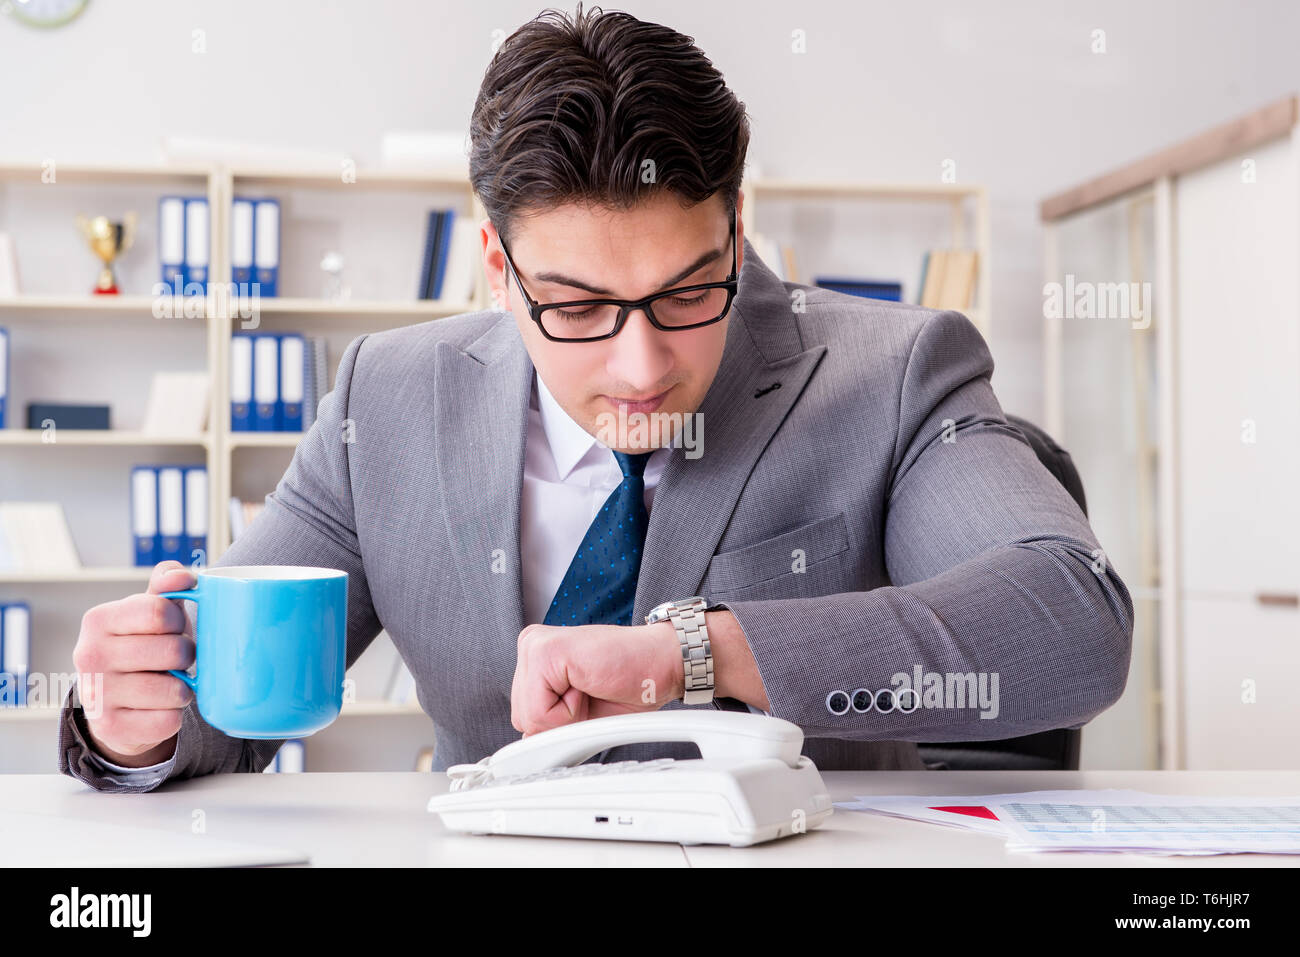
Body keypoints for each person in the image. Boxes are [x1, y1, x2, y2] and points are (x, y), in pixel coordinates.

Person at [59, 3, 1132, 792]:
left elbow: (1073, 618)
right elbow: (227, 703)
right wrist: (131, 718)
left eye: (687, 291)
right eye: (576, 306)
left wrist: (698, 654)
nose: (640, 364)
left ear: (736, 231)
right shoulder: (385, 401)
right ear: (498, 266)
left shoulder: (890, 372)